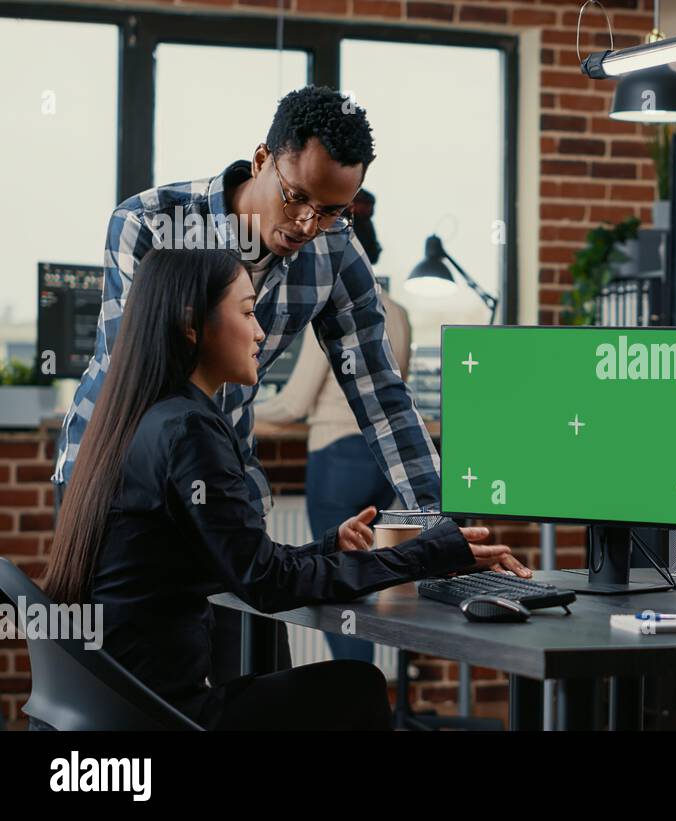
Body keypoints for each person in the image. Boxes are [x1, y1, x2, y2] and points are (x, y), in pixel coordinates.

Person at [51, 86, 504, 685]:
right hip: (113, 475)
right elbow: (135, 376)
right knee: (133, 683)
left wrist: (448, 527)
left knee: (257, 673)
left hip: (219, 473)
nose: (307, 224)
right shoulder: (153, 222)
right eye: (296, 198)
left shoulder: (334, 250)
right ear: (263, 159)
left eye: (333, 210)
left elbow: (381, 396)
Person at [42, 247, 526, 730]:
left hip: (112, 708)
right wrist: (429, 554)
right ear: (192, 324)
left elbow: (241, 562)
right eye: (248, 312)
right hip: (164, 717)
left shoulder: (135, 418)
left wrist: (328, 547)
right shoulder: (189, 430)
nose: (260, 332)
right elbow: (265, 584)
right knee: (359, 687)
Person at [255, 189, 416, 664]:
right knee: (363, 586)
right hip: (379, 464)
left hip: (337, 460)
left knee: (334, 592)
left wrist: (238, 406)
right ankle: (363, 695)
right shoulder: (400, 314)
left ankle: (353, 699)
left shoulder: (328, 306)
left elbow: (296, 403)